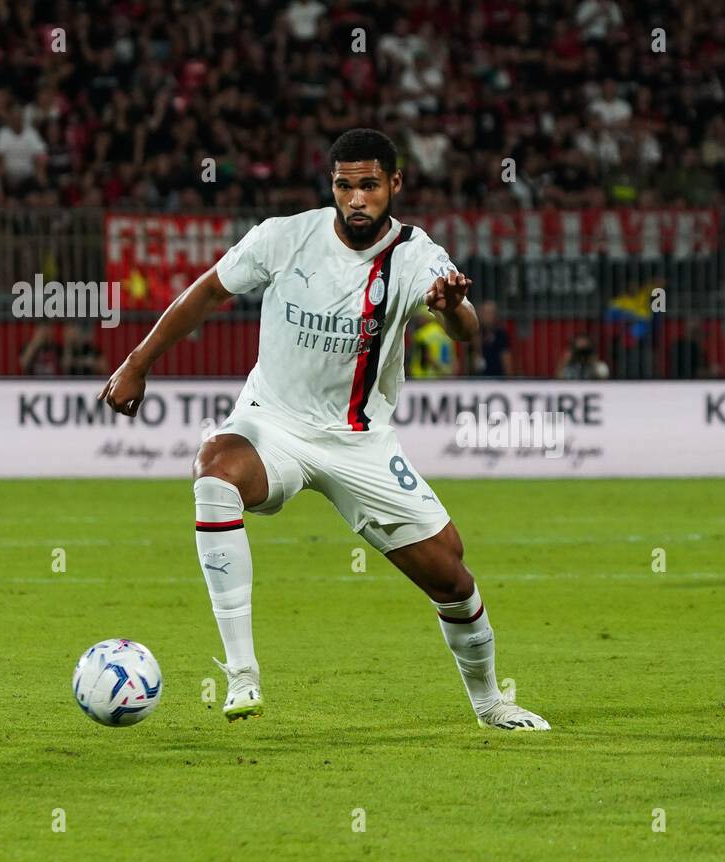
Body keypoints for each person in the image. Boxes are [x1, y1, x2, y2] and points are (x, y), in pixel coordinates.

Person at [98, 129, 549, 732]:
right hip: (272, 424)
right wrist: (136, 362)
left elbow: (464, 328)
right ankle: (242, 675)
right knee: (214, 468)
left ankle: (491, 702)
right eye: (345, 185)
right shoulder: (284, 237)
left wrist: (449, 306)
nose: (356, 199)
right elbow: (207, 293)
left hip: (359, 442)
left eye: (369, 185)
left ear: (395, 184)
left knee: (452, 576)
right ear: (331, 186)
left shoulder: (416, 256)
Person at [474, 300, 512, 377]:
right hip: (477, 381)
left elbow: (506, 359)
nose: (488, 316)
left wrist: (509, 379)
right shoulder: (475, 334)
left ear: (495, 315)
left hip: (497, 379)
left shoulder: (501, 334)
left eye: (490, 313)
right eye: (485, 312)